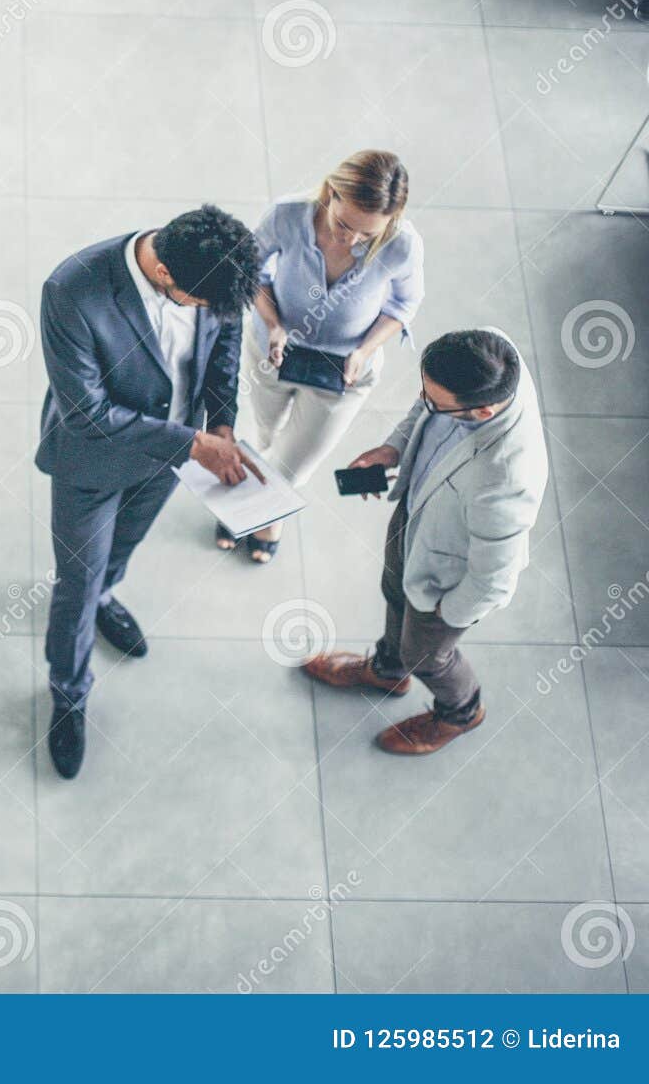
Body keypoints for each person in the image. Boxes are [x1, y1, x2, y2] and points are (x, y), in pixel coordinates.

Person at [36, 204, 262, 779]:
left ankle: (107, 596)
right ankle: (69, 693)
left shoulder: (215, 274)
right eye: (201, 303)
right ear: (164, 274)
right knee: (77, 581)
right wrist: (193, 443)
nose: (210, 312)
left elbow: (224, 347)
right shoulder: (72, 290)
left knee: (122, 547)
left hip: (172, 457)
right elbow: (86, 414)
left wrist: (222, 425)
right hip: (93, 462)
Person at [302, 328, 548, 755]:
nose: (423, 399)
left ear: (483, 411)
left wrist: (444, 613)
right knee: (393, 591)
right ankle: (387, 671)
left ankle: (461, 713)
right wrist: (394, 448)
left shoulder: (507, 480)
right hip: (418, 518)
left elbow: (494, 581)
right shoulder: (490, 351)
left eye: (435, 401)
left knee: (427, 655)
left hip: (447, 579)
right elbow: (426, 405)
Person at [229, 150, 424, 564]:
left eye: (367, 235)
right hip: (272, 352)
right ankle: (256, 501)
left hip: (345, 370)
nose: (350, 240)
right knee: (266, 436)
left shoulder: (402, 245)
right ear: (330, 193)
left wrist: (364, 350)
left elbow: (404, 305)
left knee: (293, 464)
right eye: (344, 225)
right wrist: (273, 323)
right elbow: (250, 270)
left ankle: (258, 515)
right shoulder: (287, 215)